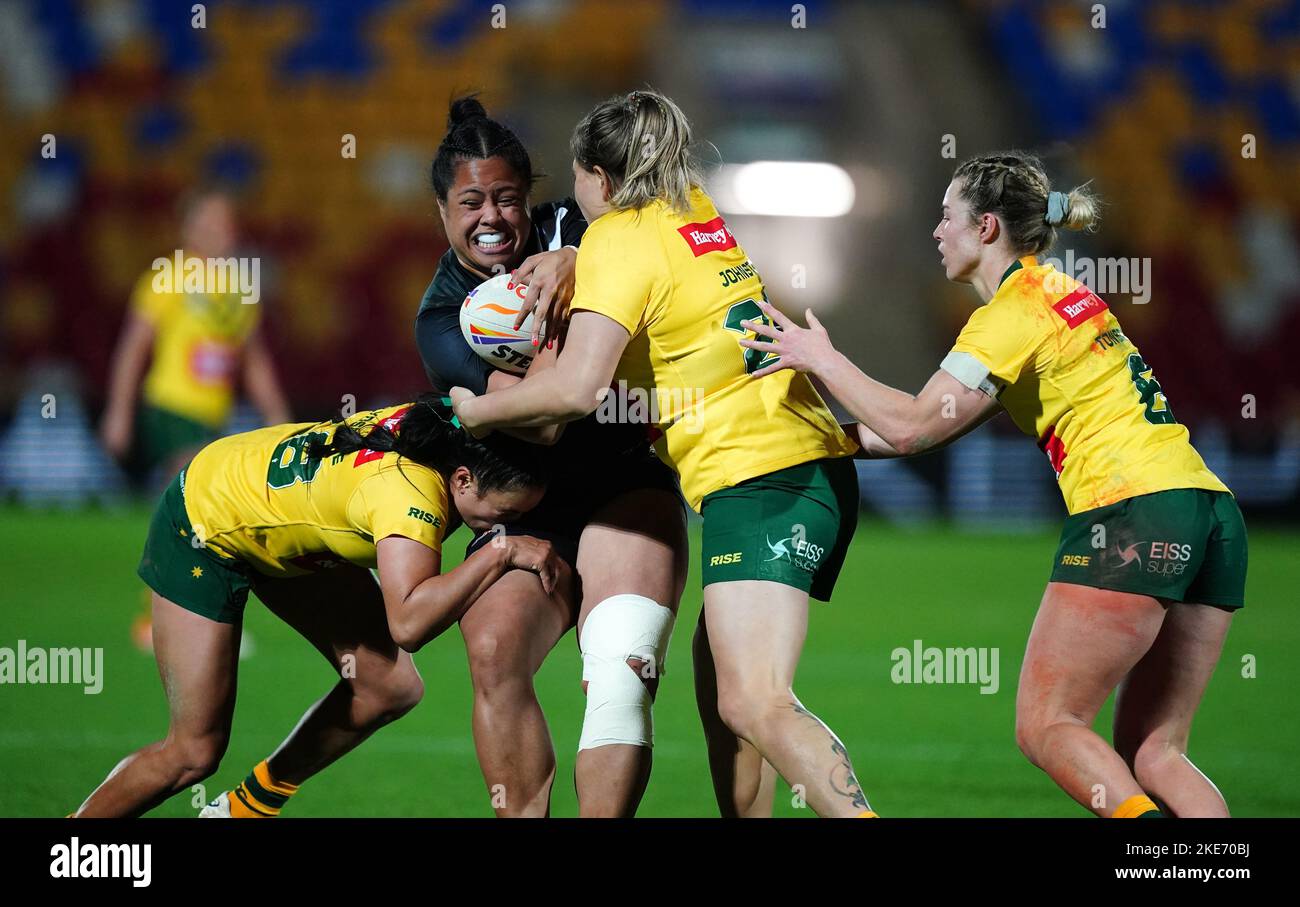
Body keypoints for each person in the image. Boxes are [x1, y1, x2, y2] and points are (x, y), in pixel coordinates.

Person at [740, 151, 1246, 818]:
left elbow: (915, 425)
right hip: (1209, 514)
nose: (935, 231)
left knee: (1048, 724)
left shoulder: (1013, 311)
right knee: (1156, 756)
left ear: (984, 229)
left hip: (1132, 512)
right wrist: (812, 440)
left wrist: (823, 359)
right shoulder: (1061, 295)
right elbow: (917, 429)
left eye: (946, 217)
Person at [452, 89, 877, 818]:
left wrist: (479, 408)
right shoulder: (696, 211)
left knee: (758, 702)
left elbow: (579, 390)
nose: (576, 199)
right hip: (802, 461)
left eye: (579, 181)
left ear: (601, 179)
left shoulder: (617, 237)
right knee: (725, 694)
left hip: (759, 479)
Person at [71, 396, 564, 817]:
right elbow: (409, 623)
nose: (510, 525)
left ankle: (246, 807)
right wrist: (501, 553)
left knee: (387, 687)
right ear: (461, 481)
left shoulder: (452, 424)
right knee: (193, 753)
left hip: (282, 523)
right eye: (506, 515)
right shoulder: (410, 499)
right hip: (205, 524)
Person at [415, 97, 688, 817]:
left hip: (626, 483)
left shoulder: (586, 224)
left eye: (507, 198)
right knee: (493, 652)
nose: (492, 218)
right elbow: (541, 426)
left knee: (621, 669)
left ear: (529, 197)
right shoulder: (443, 316)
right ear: (442, 211)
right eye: (470, 202)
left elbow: (653, 239)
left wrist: (580, 257)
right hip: (530, 506)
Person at [100, 188, 291, 650]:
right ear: (189, 229)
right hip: (169, 409)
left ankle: (182, 624)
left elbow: (254, 361)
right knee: (192, 514)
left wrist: (279, 419)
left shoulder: (239, 288)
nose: (224, 230)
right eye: (212, 221)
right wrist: (119, 412)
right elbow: (133, 348)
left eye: (228, 221)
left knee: (195, 518)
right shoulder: (167, 280)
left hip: (211, 421)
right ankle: (163, 625)